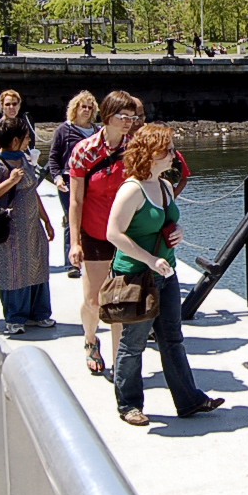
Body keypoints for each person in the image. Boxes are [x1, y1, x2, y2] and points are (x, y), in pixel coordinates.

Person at [106, 123, 224, 425]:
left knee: (172, 338)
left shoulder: (165, 186)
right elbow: (113, 234)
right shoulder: (131, 189)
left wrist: (179, 233)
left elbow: (168, 222)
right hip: (136, 276)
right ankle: (128, 403)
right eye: (168, 150)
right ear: (151, 153)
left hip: (165, 273)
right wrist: (148, 259)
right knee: (133, 342)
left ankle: (188, 399)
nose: (174, 155)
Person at [68, 91, 139, 379]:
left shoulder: (134, 149)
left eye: (132, 118)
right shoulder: (84, 151)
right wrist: (74, 242)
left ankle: (118, 366)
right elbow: (75, 201)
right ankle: (90, 339)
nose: (128, 123)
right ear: (108, 117)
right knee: (95, 300)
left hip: (124, 234)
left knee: (118, 302)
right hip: (95, 231)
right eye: (123, 117)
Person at [0, 120, 55, 336]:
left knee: (37, 265)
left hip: (31, 225)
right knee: (13, 270)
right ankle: (15, 316)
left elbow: (32, 191)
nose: (29, 140)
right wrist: (10, 181)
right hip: (10, 229)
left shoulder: (23, 158)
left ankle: (38, 313)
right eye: (26, 137)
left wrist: (46, 220)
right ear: (15, 140)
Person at [47, 91, 99, 279]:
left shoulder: (97, 131)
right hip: (69, 180)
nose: (86, 110)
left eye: (89, 107)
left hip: (91, 181)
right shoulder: (64, 130)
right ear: (75, 109)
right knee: (72, 218)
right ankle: (73, 262)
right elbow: (53, 157)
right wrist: (57, 177)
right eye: (82, 106)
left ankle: (93, 257)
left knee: (92, 218)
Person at [0, 89, 36, 158]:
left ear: (19, 105)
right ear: (2, 106)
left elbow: (27, 147)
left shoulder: (22, 125)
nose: (11, 107)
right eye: (7, 104)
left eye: (14, 104)